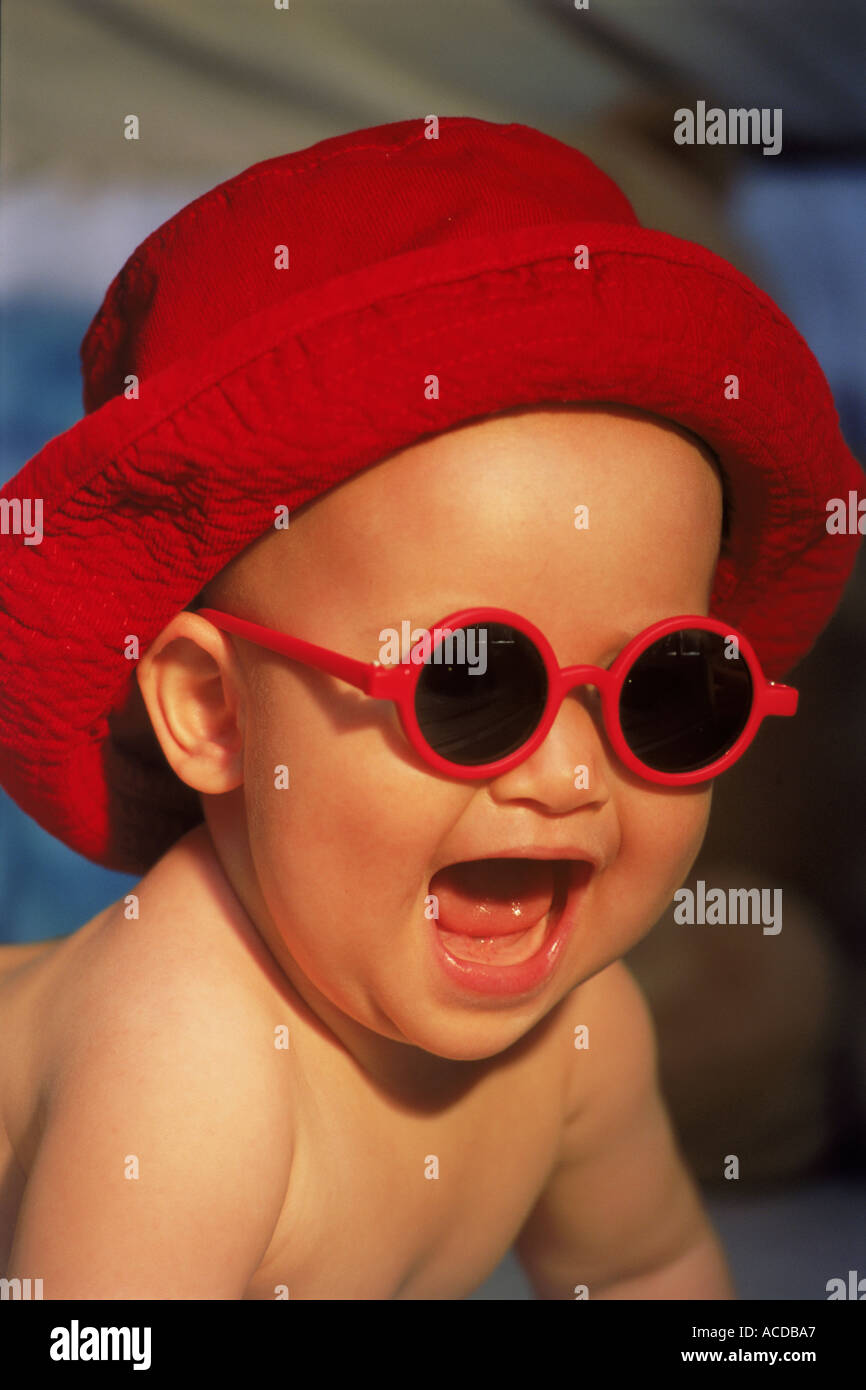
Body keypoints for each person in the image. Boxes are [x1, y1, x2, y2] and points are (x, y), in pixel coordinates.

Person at [0, 116, 860, 1299]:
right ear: (213, 714)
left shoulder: (582, 1033)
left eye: (667, 691)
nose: (567, 775)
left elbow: (642, 1264)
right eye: (470, 683)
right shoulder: (184, 1063)